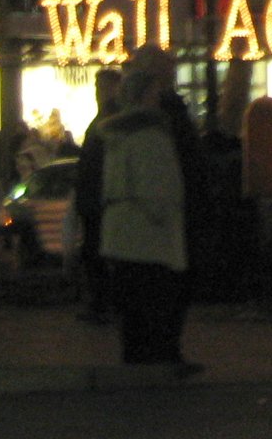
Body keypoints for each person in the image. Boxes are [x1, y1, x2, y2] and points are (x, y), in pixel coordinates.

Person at [100, 54, 195, 372]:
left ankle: (139, 363)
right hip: (149, 236)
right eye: (155, 92)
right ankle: (160, 361)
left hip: (122, 234)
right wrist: (169, 219)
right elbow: (156, 189)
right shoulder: (150, 136)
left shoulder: (115, 135)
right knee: (158, 302)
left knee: (134, 310)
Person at [73, 69, 123, 324]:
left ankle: (102, 303)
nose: (97, 92)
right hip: (96, 199)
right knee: (97, 252)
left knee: (98, 253)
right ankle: (102, 302)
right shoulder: (107, 119)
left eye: (101, 87)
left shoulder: (109, 120)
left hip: (99, 199)